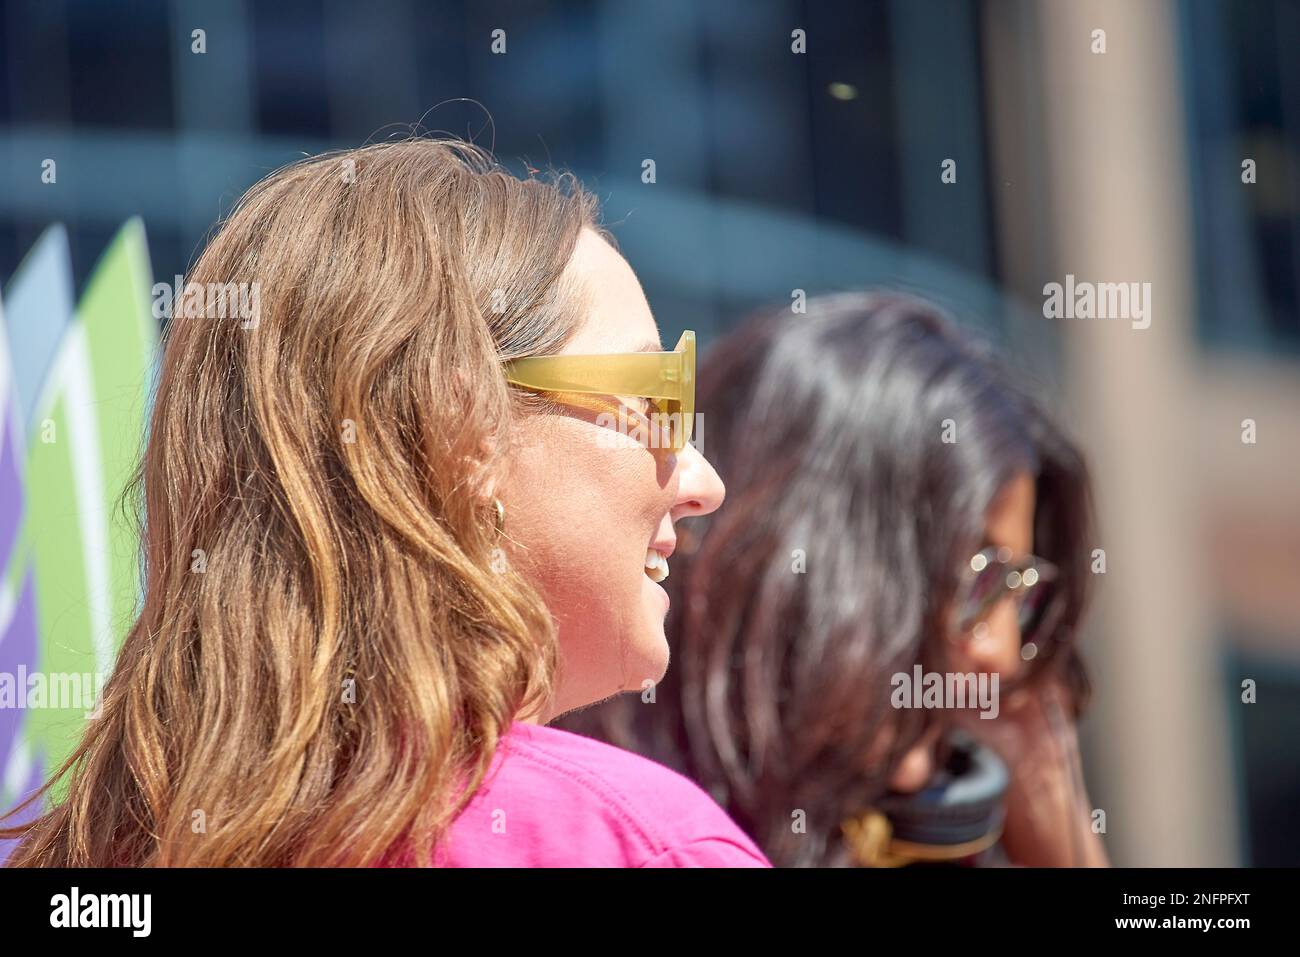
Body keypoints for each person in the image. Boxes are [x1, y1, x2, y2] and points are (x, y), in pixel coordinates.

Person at [0, 139, 769, 868]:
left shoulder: (88, 851)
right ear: (467, 435)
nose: (702, 481)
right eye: (655, 396)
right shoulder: (629, 840)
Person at [560, 291, 1110, 868]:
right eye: (979, 576)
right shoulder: (592, 835)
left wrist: (1056, 831)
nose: (1002, 655)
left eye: (1017, 591)